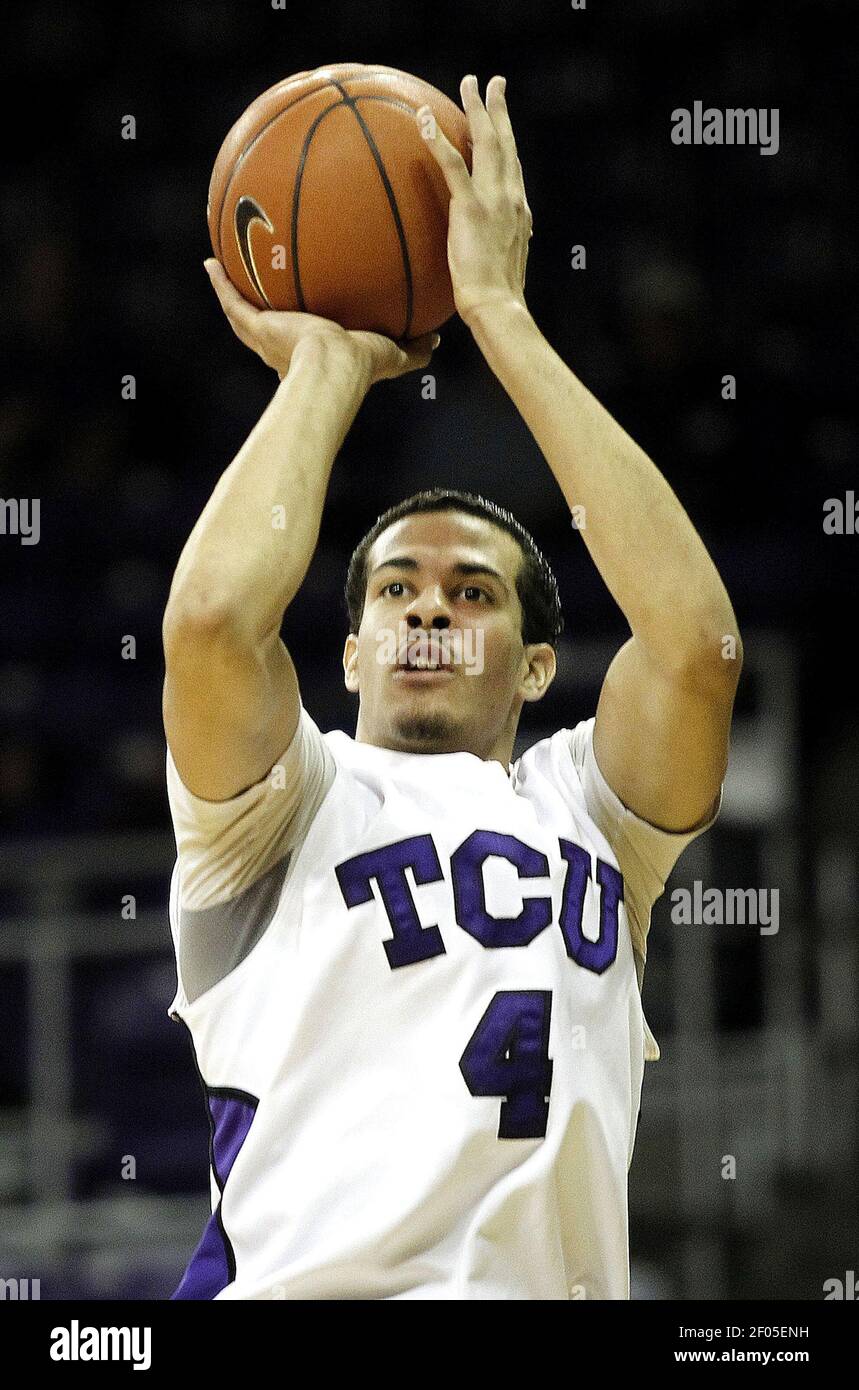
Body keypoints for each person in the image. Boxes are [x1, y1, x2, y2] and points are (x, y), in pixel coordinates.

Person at [162, 74, 742, 1299]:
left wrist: (497, 314)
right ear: (353, 655)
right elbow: (212, 622)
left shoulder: (590, 812)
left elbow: (694, 647)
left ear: (539, 664)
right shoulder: (280, 807)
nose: (429, 604)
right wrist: (324, 364)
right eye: (395, 590)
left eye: (473, 590)